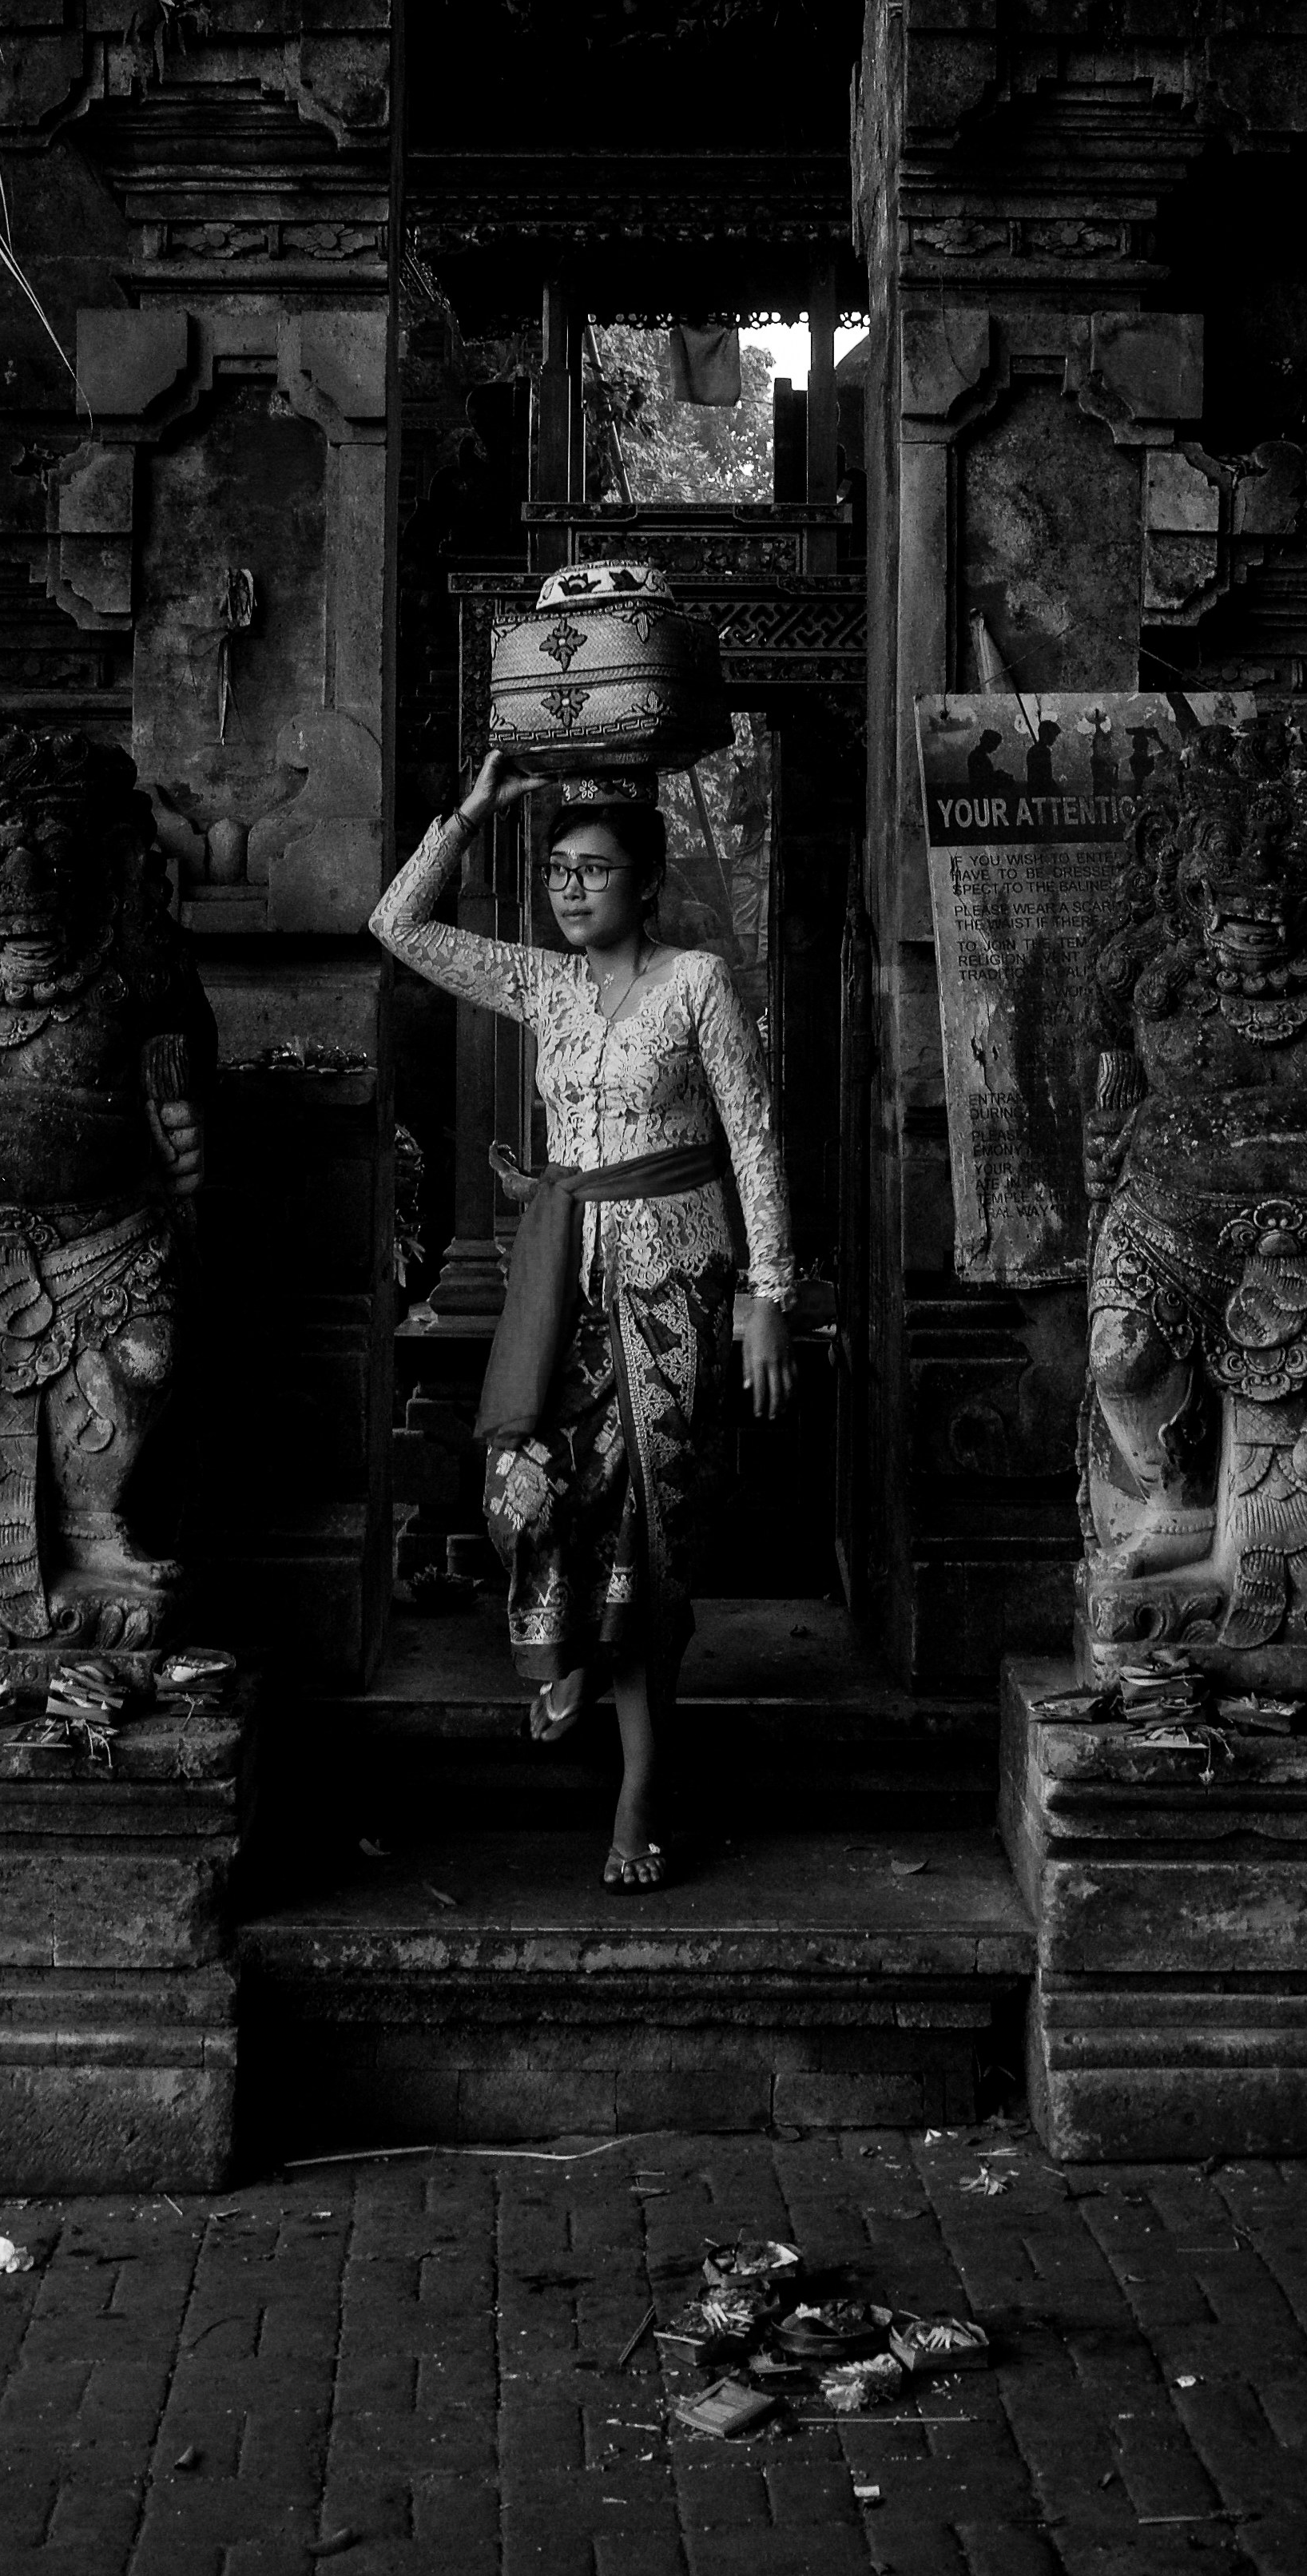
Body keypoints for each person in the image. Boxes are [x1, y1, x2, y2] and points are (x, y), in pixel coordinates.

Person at [367, 748, 794, 1887]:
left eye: (593, 870)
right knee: (527, 1485)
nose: (569, 889)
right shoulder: (541, 983)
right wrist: (464, 814)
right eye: (557, 868)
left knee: (648, 1538)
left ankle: (640, 1789)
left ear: (643, 884)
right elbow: (397, 926)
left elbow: (752, 1139)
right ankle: (562, 1658)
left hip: (677, 1291)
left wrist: (768, 1297)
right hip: (561, 1285)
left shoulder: (696, 981)